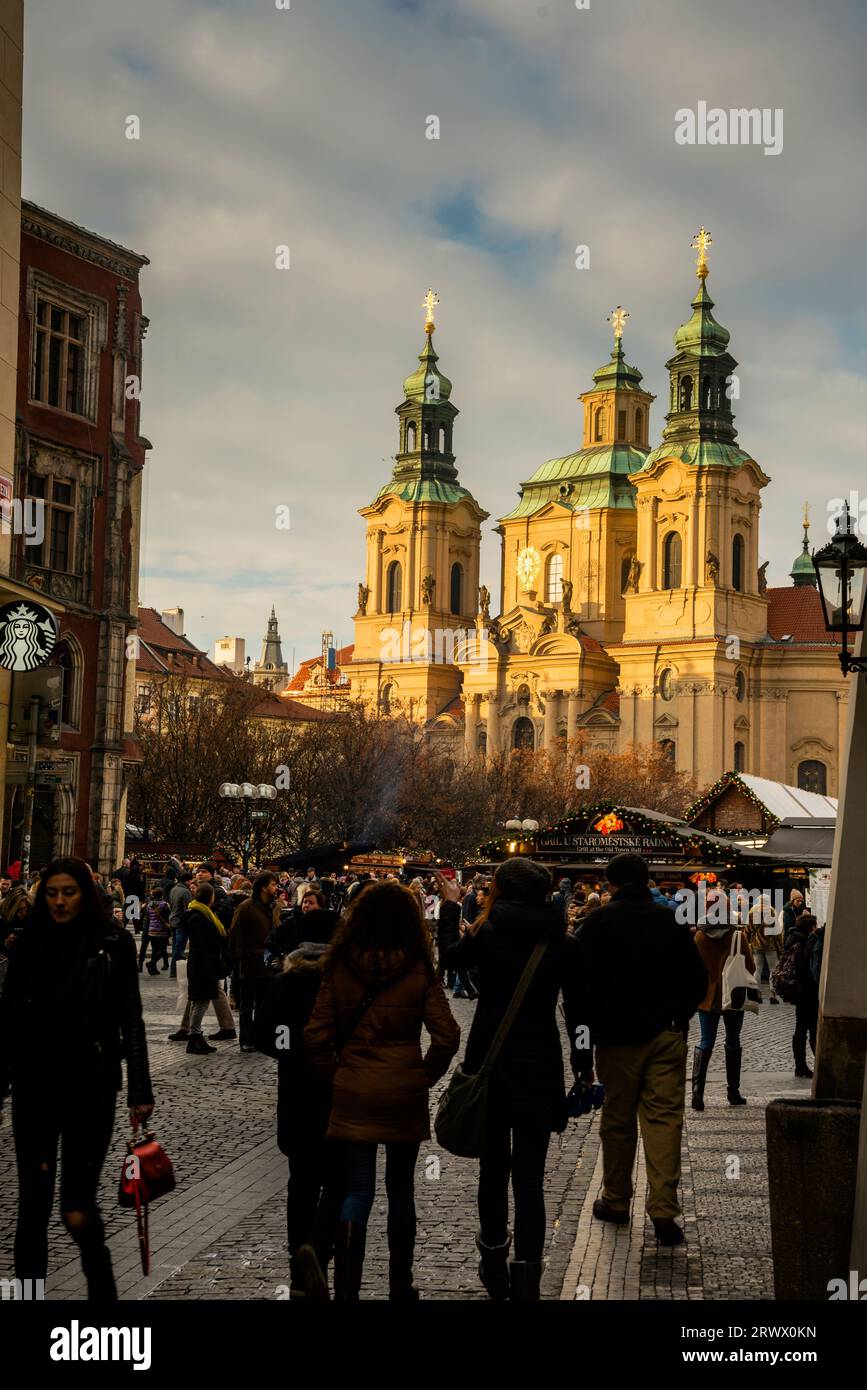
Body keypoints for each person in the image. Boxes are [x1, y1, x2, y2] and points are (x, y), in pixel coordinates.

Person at [0, 856, 153, 1299]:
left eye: (69, 892)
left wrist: (140, 1087)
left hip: (92, 1085)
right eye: (52, 892)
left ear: (84, 894)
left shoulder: (113, 943)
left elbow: (132, 1019)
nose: (60, 901)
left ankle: (102, 1294)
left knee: (77, 1207)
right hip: (36, 1086)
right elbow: (9, 1018)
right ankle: (29, 1296)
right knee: (32, 1206)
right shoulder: (29, 944)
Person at [305, 880, 460, 1301]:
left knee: (357, 1189)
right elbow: (446, 1035)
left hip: (354, 1088)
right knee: (401, 1190)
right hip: (403, 1091)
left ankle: (348, 1290)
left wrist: (337, 1075)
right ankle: (399, 1284)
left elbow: (315, 1037)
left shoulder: (339, 965)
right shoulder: (417, 967)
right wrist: (421, 1075)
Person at [443, 859, 588, 1300]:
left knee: (493, 1169)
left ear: (501, 891)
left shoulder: (488, 935)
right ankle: (528, 1274)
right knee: (529, 1178)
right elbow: (579, 1014)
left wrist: (451, 908)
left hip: (490, 1065)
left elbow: (448, 957)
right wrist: (584, 1067)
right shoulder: (563, 943)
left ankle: (493, 1259)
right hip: (539, 1069)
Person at [575, 852, 708, 1246]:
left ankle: (616, 1200)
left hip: (616, 1040)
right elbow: (695, 979)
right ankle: (664, 1210)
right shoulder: (671, 921)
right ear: (646, 881)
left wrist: (585, 1045)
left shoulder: (597, 922)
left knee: (617, 1120)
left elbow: (580, 990)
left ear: (611, 885)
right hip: (666, 1035)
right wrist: (678, 1018)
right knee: (665, 1121)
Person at [254, 899, 340, 1299]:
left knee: (300, 1183)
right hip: (338, 1094)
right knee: (338, 1180)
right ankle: (319, 1248)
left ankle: (297, 1259)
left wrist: (289, 1051)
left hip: (295, 1095)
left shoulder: (285, 982)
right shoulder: (342, 983)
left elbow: (264, 1034)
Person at [692, 890, 756, 1110]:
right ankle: (733, 1092)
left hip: (706, 998)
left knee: (705, 1041)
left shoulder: (699, 936)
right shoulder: (738, 935)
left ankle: (697, 1095)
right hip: (733, 996)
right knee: (733, 1041)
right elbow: (751, 967)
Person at [229, 871, 281, 1051]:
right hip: (250, 962)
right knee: (246, 1005)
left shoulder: (275, 906)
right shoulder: (245, 907)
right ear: (263, 887)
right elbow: (235, 934)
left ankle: (259, 1037)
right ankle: (246, 1039)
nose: (276, 888)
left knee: (263, 1005)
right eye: (273, 884)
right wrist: (238, 958)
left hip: (268, 964)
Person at [182, 883, 229, 1056]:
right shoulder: (201, 918)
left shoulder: (198, 914)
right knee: (201, 1000)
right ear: (211, 898)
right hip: (203, 964)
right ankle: (194, 1037)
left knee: (198, 1000)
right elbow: (208, 944)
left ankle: (196, 1035)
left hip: (200, 963)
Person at [784, 912, 821, 1079]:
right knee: (811, 1029)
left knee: (801, 1029)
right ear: (810, 927)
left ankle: (801, 1065)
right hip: (807, 991)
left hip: (799, 991)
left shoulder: (792, 938)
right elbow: (807, 966)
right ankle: (812, 1065)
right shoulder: (805, 942)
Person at [744, 893, 781, 1003]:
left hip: (756, 944)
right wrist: (780, 945)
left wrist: (747, 943)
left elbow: (747, 929)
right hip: (770, 945)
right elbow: (777, 930)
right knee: (773, 969)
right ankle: (772, 994)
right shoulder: (771, 910)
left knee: (757, 969)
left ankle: (757, 993)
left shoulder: (751, 912)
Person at [168, 871, 194, 978]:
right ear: (187, 881)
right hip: (181, 923)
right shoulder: (185, 892)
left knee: (175, 947)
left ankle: (173, 969)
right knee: (179, 948)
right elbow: (188, 909)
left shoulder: (174, 889)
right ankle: (175, 970)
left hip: (173, 920)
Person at [143, 885, 171, 974]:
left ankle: (153, 970)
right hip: (161, 930)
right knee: (162, 949)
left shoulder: (149, 905)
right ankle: (151, 963)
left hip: (151, 930)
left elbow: (148, 917)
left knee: (155, 949)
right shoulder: (164, 904)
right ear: (162, 895)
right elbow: (168, 916)